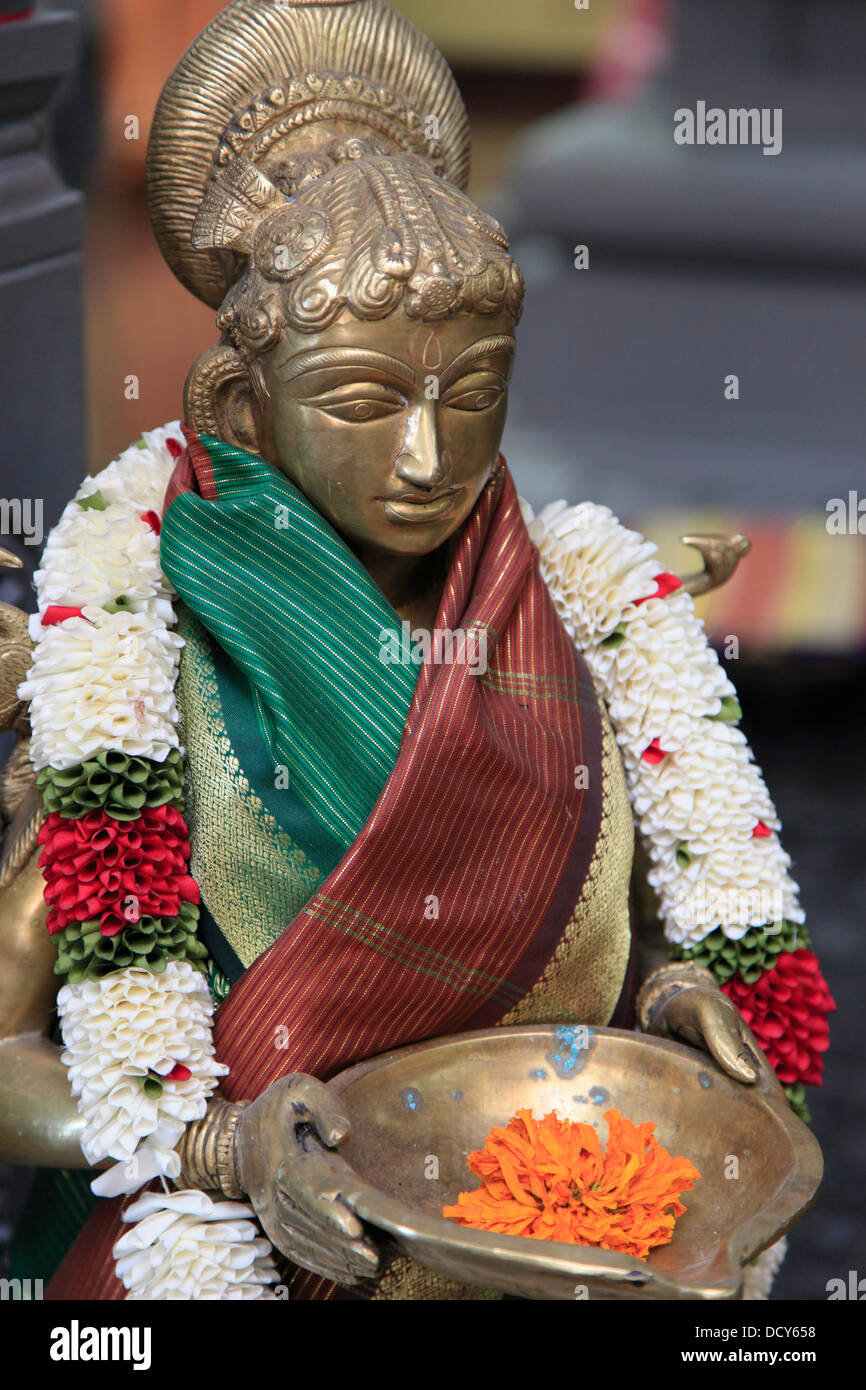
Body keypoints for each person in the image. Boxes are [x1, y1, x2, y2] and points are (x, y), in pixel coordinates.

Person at [0, 0, 831, 1301]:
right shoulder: (136, 636)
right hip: (247, 1246)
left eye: (473, 394)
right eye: (360, 400)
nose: (426, 460)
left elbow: (619, 926)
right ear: (241, 402)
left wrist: (671, 999)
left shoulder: (573, 611)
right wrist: (215, 1141)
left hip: (545, 1218)